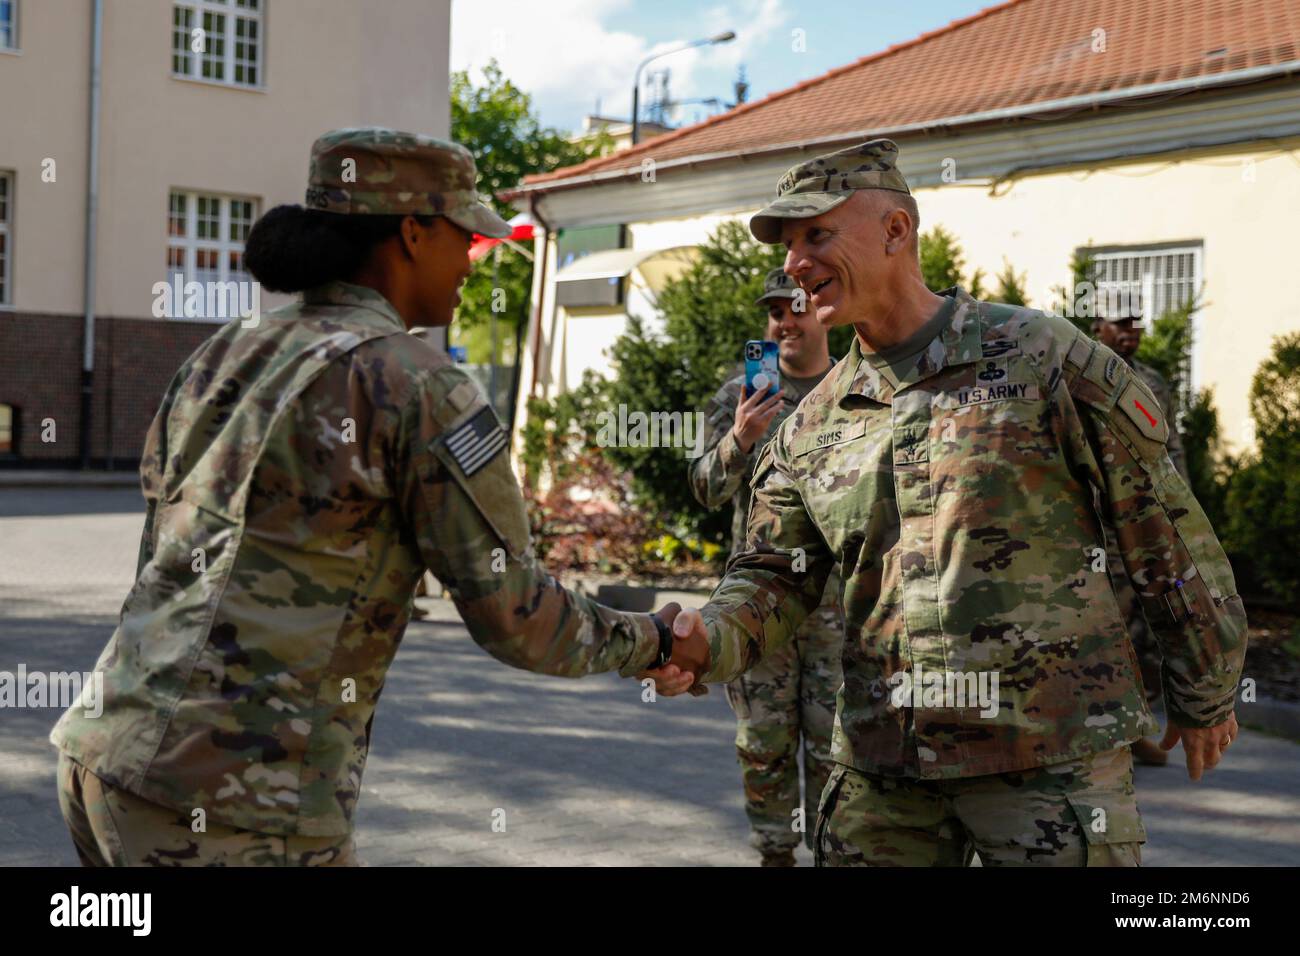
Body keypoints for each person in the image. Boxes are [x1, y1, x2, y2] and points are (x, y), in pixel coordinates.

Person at [50, 128, 675, 867]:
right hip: (234, 804)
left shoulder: (225, 349)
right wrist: (656, 640)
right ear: (412, 233)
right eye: (464, 237)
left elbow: (160, 548)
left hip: (105, 755)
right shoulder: (418, 384)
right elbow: (517, 618)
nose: (474, 261)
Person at [643, 139, 1247, 866]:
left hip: (1046, 764)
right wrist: (705, 640)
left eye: (817, 234)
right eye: (789, 244)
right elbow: (772, 575)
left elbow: (1162, 523)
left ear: (896, 231)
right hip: (880, 773)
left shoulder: (1041, 355)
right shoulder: (811, 420)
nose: (796, 264)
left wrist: (1205, 683)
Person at [689, 268, 844, 866]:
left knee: (837, 743)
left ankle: (833, 851)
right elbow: (703, 489)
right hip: (760, 600)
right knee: (762, 741)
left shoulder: (856, 389)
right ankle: (775, 854)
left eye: (797, 308)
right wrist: (739, 440)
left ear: (822, 314)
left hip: (838, 603)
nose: (786, 321)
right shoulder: (738, 397)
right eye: (775, 312)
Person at [1093, 296, 1191, 768]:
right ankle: (1102, 734)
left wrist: (1182, 513)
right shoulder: (1078, 374)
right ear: (1098, 325)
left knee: (1151, 628)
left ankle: (1135, 729)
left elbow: (1171, 448)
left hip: (1148, 523)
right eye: (1121, 323)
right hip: (1098, 530)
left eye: (1137, 324)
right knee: (1105, 629)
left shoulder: (1152, 382)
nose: (1131, 331)